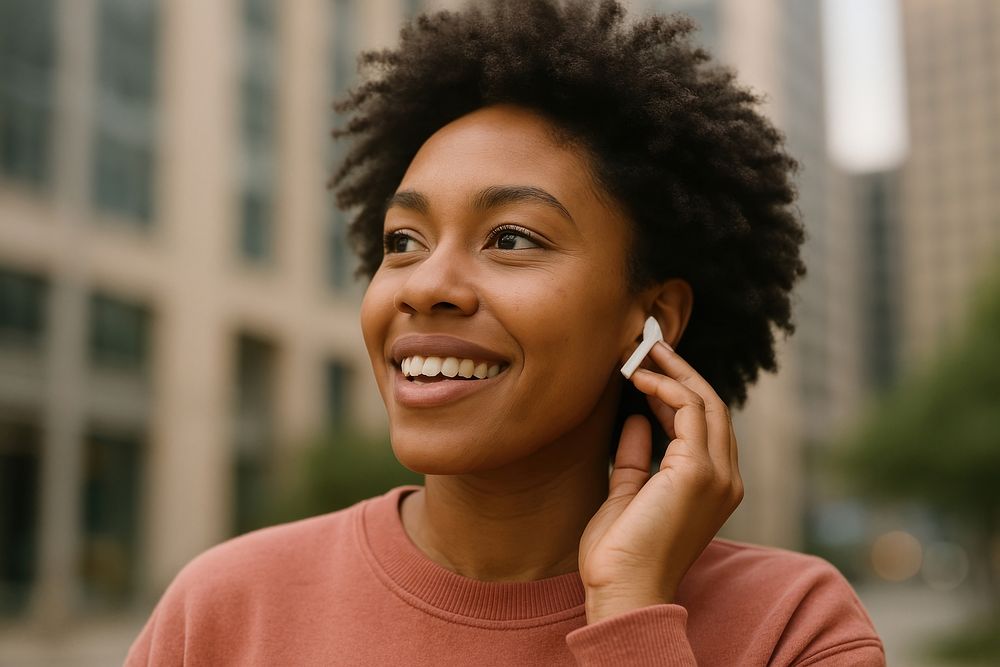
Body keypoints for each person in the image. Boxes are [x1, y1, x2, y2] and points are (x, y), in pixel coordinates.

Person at [125, 0, 885, 664]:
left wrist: (631, 613)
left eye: (512, 238)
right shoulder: (224, 608)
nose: (426, 285)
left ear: (651, 320)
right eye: (403, 241)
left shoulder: (794, 627)